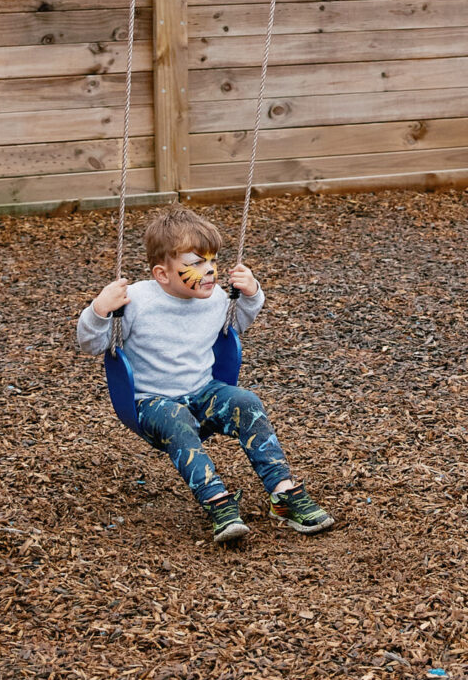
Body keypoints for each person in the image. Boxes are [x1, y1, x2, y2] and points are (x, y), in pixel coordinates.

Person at [77, 205, 333, 545]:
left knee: (246, 401)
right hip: (152, 403)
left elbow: (235, 326)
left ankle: (283, 493)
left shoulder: (215, 300)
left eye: (212, 260)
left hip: (203, 391)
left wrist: (253, 293)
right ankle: (219, 503)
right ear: (162, 274)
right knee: (175, 419)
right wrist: (99, 309)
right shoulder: (134, 301)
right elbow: (92, 344)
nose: (210, 271)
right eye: (196, 263)